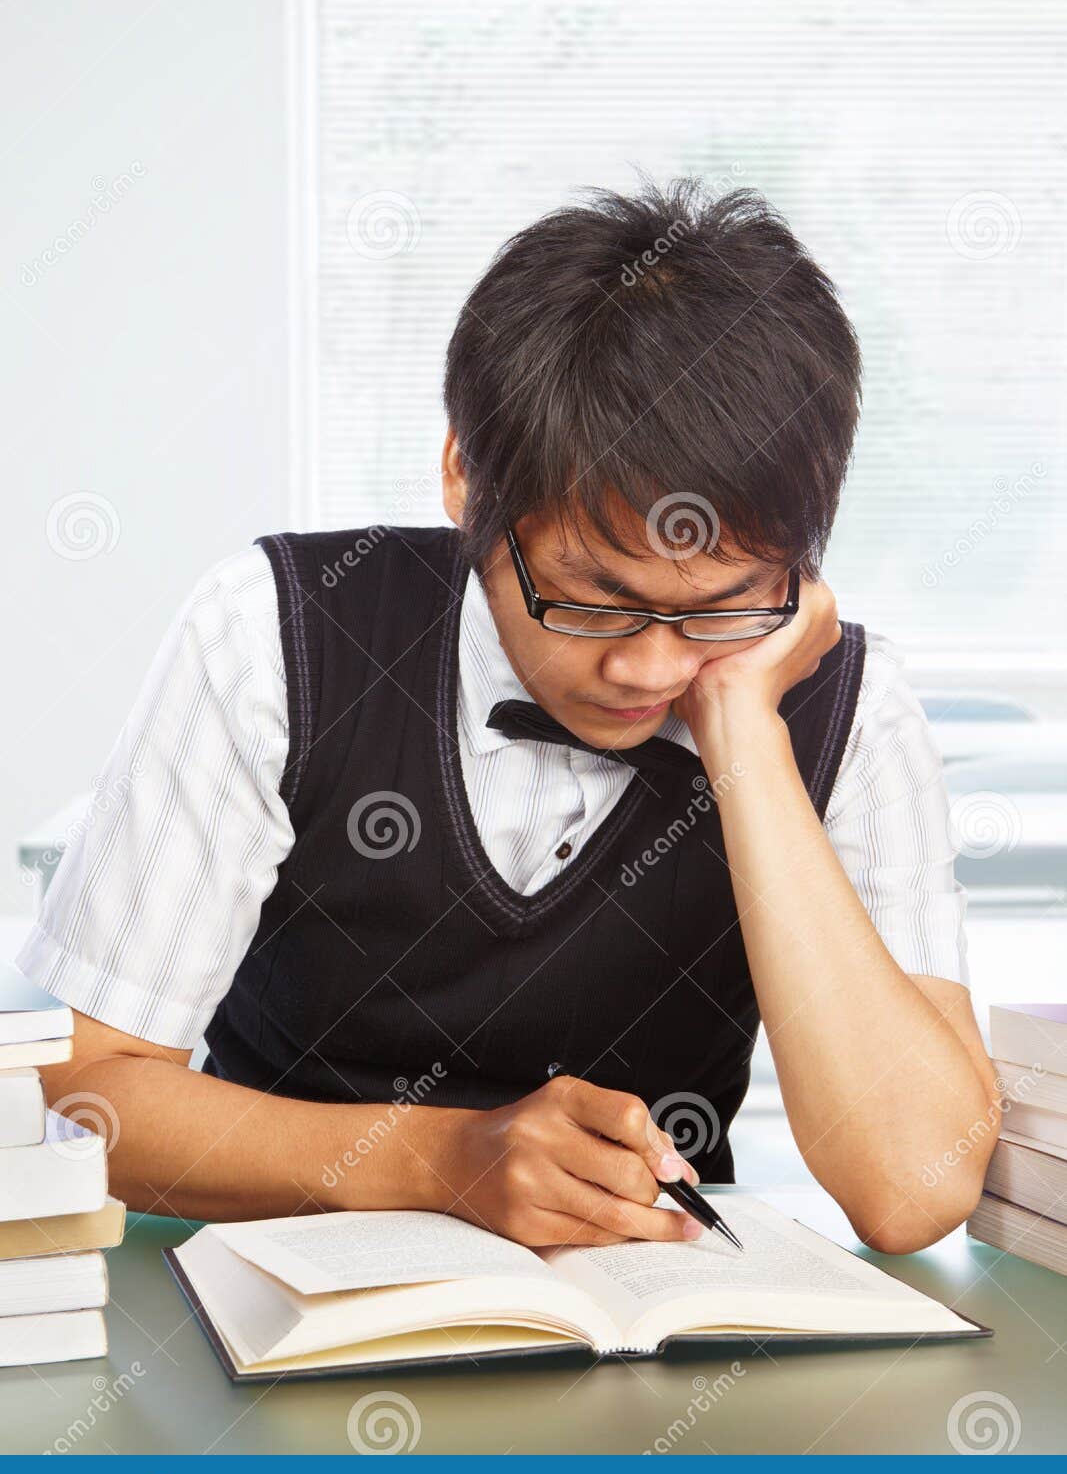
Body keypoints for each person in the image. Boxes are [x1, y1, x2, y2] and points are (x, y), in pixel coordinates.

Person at [22, 180, 998, 1252]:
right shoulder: (272, 634)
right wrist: (437, 1162)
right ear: (460, 473)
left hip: (657, 1330)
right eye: (589, 594)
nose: (647, 664)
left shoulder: (847, 712)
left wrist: (745, 735)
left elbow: (910, 1192)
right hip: (278, 1304)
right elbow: (79, 1098)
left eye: (714, 609)